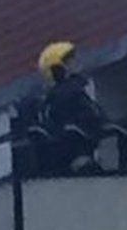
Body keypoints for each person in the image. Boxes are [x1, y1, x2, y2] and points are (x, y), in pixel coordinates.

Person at [35, 41, 104, 173]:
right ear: (57, 70)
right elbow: (94, 118)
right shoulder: (66, 95)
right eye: (69, 62)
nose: (75, 63)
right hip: (75, 161)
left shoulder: (71, 92)